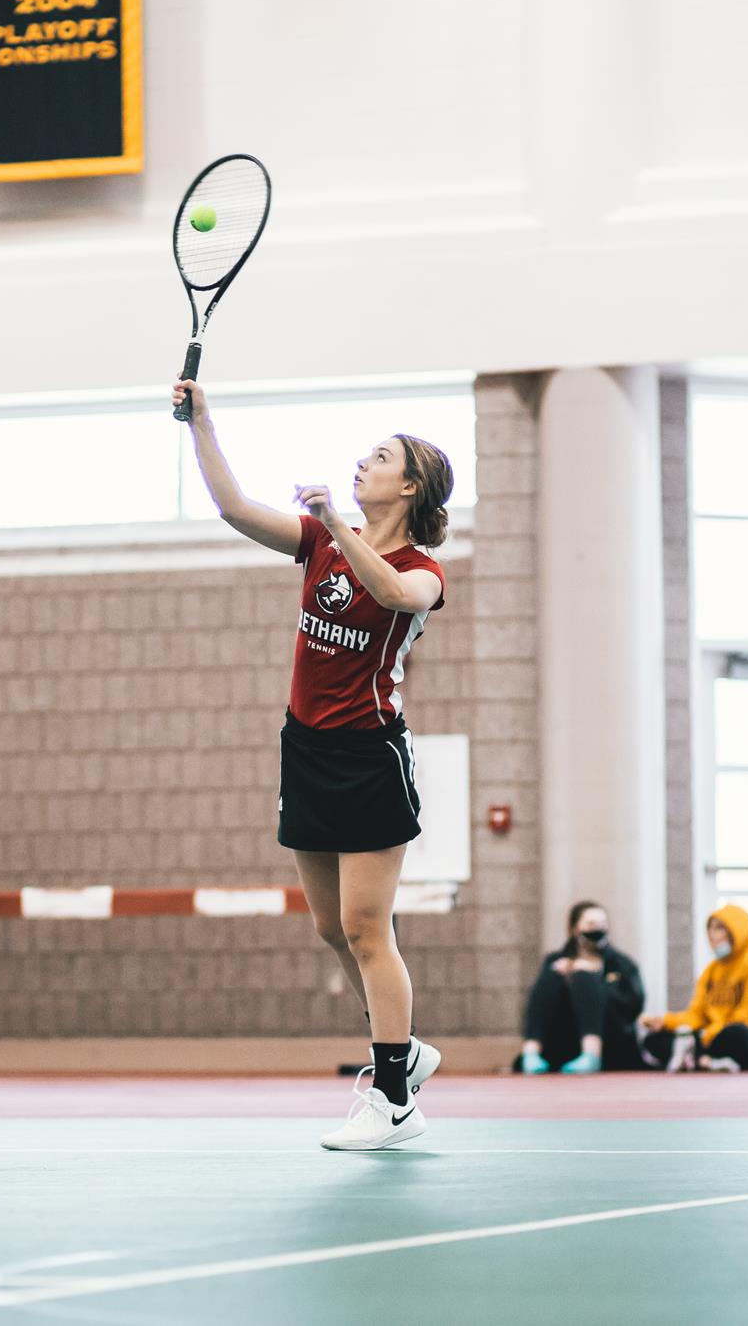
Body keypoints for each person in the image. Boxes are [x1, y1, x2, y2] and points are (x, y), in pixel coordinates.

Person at [174, 375, 456, 1151]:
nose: (363, 462)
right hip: (305, 749)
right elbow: (234, 506)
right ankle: (405, 1047)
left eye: (381, 457)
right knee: (332, 927)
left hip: (369, 755)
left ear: (411, 485)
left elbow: (391, 591)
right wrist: (202, 424)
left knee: (368, 927)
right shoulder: (319, 541)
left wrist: (334, 518)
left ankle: (394, 1099)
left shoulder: (424, 569)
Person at [638, 904, 748, 1072]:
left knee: (736, 1033)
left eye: (719, 928)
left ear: (737, 930)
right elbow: (696, 1015)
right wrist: (665, 1022)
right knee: (655, 1039)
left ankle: (698, 1058)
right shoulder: (711, 971)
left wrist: (708, 1035)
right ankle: (707, 1060)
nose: (712, 935)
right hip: (713, 1037)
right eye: (710, 929)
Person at [518, 901, 649, 1074]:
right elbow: (539, 1003)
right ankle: (531, 1053)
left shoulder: (623, 964)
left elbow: (634, 1005)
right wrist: (567, 977)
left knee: (583, 976)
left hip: (610, 1035)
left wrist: (595, 979)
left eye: (603, 924)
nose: (598, 929)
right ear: (575, 928)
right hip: (566, 1034)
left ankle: (591, 1054)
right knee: (552, 973)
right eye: (591, 924)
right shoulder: (555, 959)